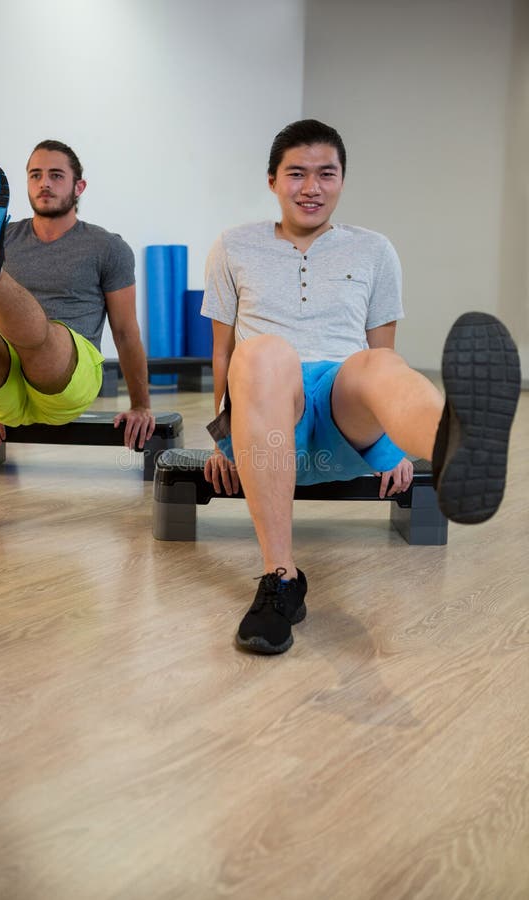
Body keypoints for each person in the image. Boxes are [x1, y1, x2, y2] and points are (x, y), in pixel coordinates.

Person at [201, 119, 521, 656]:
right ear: (273, 181)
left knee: (373, 366)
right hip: (265, 407)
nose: (312, 187)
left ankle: (445, 443)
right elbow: (222, 353)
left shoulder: (375, 251)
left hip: (343, 410)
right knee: (263, 352)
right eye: (297, 174)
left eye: (326, 174)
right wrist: (221, 439)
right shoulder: (233, 247)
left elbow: (384, 355)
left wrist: (393, 443)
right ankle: (281, 579)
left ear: (342, 180)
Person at [0, 139, 155, 543]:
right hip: (10, 380)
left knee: (44, 334)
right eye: (35, 175)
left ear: (78, 187)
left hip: (70, 373)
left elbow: (125, 331)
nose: (44, 183)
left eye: (56, 175)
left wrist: (140, 404)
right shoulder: (8, 235)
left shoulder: (108, 247)